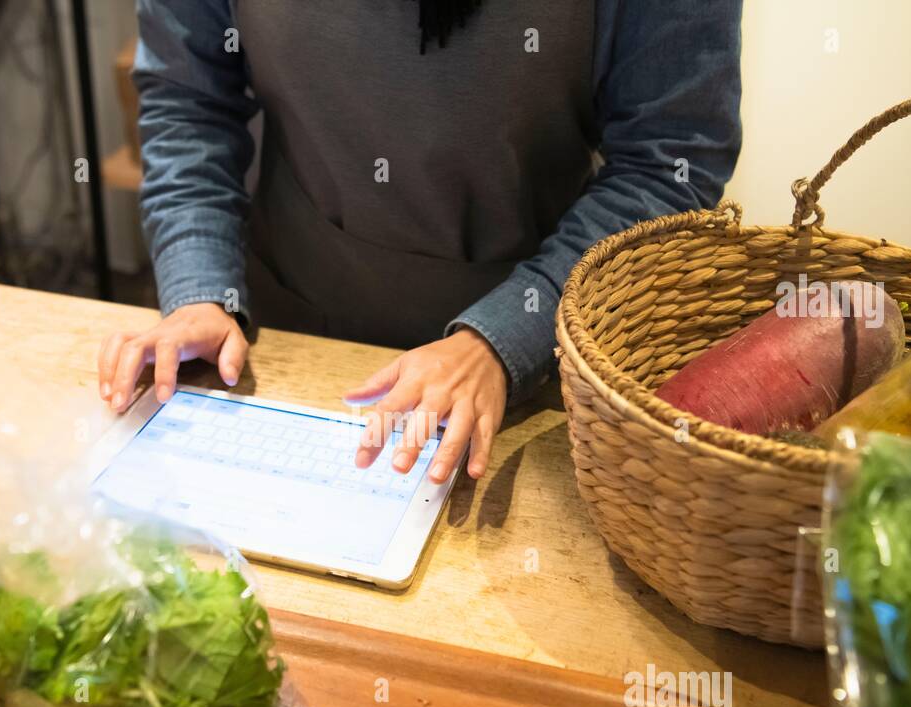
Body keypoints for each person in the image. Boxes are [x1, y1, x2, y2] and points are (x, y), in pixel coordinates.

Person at [99, 0, 742, 483]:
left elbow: (670, 161)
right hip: (283, 351)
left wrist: (504, 339)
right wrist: (199, 286)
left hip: (536, 367)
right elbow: (190, 100)